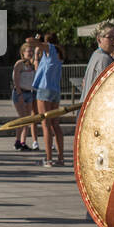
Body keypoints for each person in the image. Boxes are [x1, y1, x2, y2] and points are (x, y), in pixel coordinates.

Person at [31, 33, 65, 167]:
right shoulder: (58, 54)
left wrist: (37, 39)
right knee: (55, 124)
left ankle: (49, 158)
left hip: (44, 89)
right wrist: (37, 57)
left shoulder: (50, 49)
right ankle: (60, 158)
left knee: (45, 124)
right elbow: (39, 69)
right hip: (55, 90)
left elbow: (30, 41)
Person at [10, 42, 38, 151]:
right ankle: (17, 141)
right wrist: (19, 93)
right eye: (28, 51)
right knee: (22, 118)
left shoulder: (31, 65)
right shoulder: (19, 64)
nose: (30, 53)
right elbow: (16, 80)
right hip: (20, 92)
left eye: (32, 51)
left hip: (29, 93)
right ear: (23, 53)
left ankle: (23, 141)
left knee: (28, 119)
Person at [81, 23, 114, 98]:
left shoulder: (96, 54)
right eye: (109, 37)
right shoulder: (104, 59)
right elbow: (105, 89)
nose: (113, 40)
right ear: (99, 39)